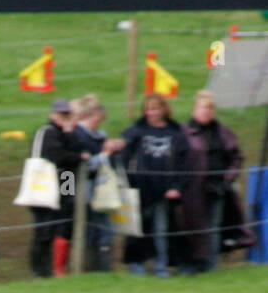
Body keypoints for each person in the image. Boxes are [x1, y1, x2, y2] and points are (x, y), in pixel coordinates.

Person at [121, 93, 189, 277]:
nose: (151, 113)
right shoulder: (137, 131)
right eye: (148, 109)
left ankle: (161, 265)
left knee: (162, 228)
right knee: (137, 227)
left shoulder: (175, 134)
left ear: (163, 109)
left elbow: (184, 164)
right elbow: (123, 153)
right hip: (140, 189)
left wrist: (177, 187)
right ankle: (136, 262)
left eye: (155, 109)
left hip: (164, 191)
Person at [179, 91, 245, 274]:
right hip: (192, 189)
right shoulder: (185, 131)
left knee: (213, 227)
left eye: (210, 109)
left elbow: (236, 157)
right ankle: (191, 264)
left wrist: (230, 175)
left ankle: (210, 265)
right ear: (195, 108)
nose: (206, 112)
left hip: (217, 187)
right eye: (203, 108)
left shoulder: (222, 132)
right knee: (192, 226)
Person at [27, 97, 85, 278]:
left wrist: (69, 133)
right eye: (61, 113)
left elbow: (75, 153)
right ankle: (40, 272)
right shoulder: (47, 132)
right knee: (44, 230)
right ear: (53, 113)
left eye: (66, 113)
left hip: (65, 180)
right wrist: (78, 157)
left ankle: (58, 269)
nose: (63, 117)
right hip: (44, 185)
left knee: (63, 224)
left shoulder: (68, 133)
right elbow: (61, 157)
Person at [73, 95, 125, 273]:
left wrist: (113, 149)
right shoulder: (77, 135)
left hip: (101, 190)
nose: (98, 125)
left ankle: (102, 266)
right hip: (84, 190)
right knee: (90, 228)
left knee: (104, 228)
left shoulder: (99, 135)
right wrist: (104, 154)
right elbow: (81, 166)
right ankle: (89, 266)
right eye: (96, 120)